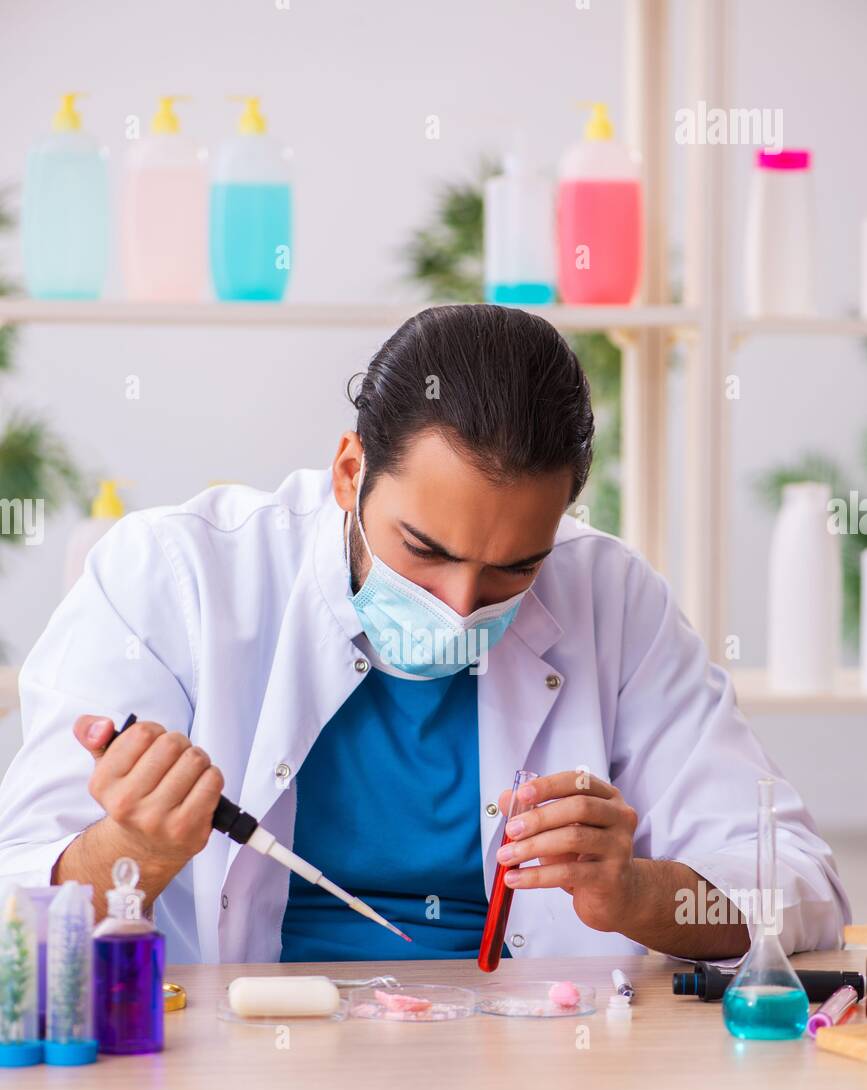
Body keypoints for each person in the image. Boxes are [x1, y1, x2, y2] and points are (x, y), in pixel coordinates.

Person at [0, 305, 849, 963]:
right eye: (424, 551)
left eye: (514, 568)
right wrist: (135, 849)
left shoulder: (610, 596)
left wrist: (632, 892)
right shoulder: (176, 577)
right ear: (348, 471)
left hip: (532, 1058)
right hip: (239, 1063)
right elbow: (16, 908)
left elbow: (800, 885)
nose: (457, 604)